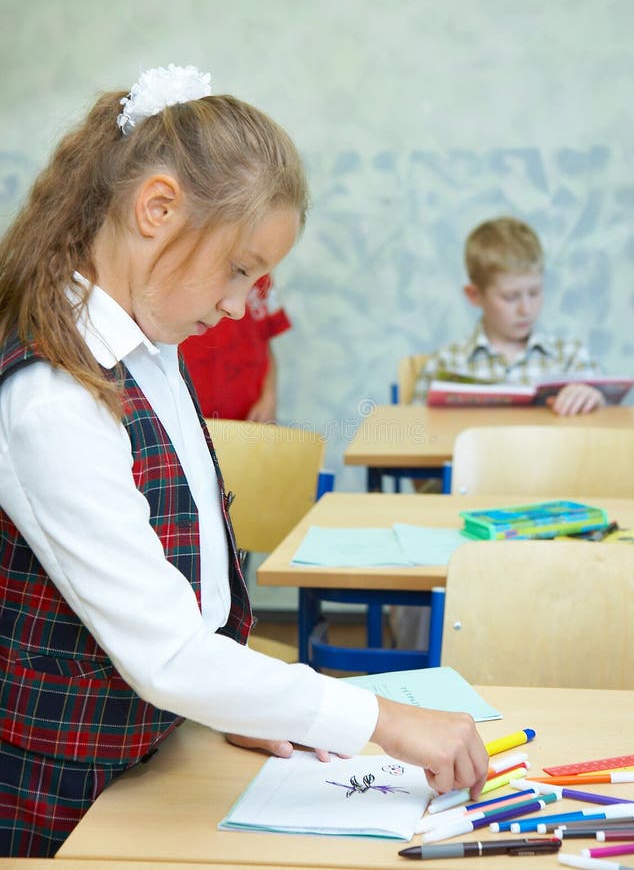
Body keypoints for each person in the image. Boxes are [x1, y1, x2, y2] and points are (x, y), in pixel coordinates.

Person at [0, 64, 488, 858]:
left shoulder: (146, 342)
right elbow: (166, 652)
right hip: (62, 806)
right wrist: (386, 721)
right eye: (239, 269)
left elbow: (187, 600)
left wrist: (243, 706)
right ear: (157, 208)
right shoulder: (53, 396)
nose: (238, 305)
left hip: (153, 761)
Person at [413, 216, 605, 416]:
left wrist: (594, 399)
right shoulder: (445, 363)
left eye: (534, 292)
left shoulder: (571, 357)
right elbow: (415, 436)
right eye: (510, 297)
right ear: (474, 295)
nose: (526, 309)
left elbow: (606, 427)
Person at [179, 273, 289, 421]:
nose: (238, 310)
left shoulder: (262, 274)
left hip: (250, 416)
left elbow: (265, 341)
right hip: (189, 415)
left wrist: (269, 397)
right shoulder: (186, 275)